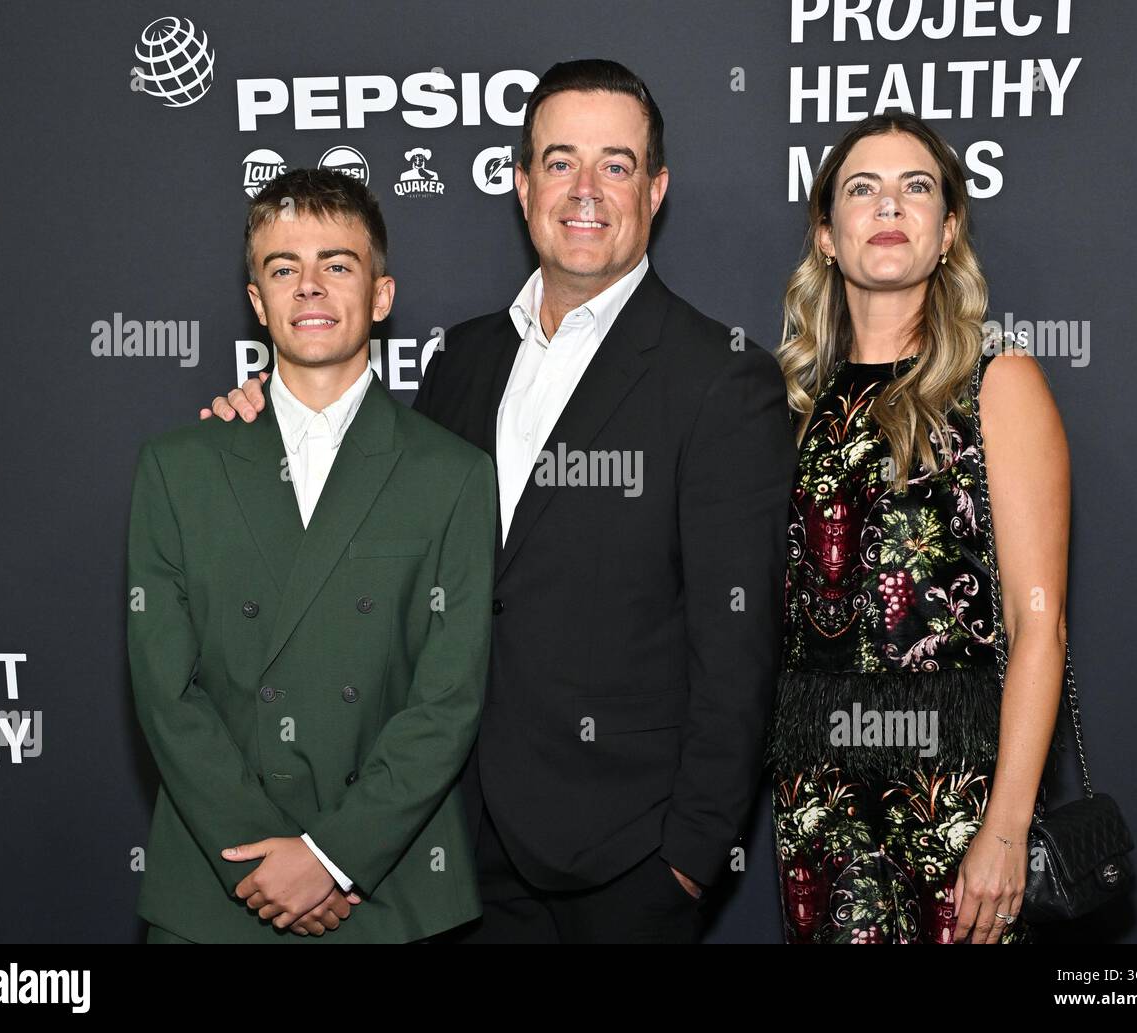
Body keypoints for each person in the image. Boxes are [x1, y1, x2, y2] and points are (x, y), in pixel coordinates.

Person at [203, 59, 798, 943]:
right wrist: (262, 414)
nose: (585, 189)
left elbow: (739, 643)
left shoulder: (722, 377)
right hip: (455, 846)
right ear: (522, 186)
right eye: (559, 162)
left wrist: (688, 857)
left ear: (657, 188)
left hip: (627, 861)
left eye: (617, 164)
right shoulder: (463, 362)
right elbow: (380, 525)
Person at [129, 167, 495, 942]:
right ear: (257, 303)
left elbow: (447, 700)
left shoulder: (453, 474)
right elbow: (167, 693)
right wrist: (261, 865)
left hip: (387, 892)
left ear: (382, 295)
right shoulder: (177, 465)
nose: (311, 288)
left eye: (338, 264)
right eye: (283, 269)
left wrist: (333, 856)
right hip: (216, 890)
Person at [767, 111, 1068, 944]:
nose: (889, 206)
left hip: (957, 796)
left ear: (947, 232)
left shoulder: (998, 383)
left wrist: (1006, 824)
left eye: (916, 187)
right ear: (827, 235)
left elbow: (1036, 623)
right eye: (862, 190)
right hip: (816, 796)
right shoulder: (790, 403)